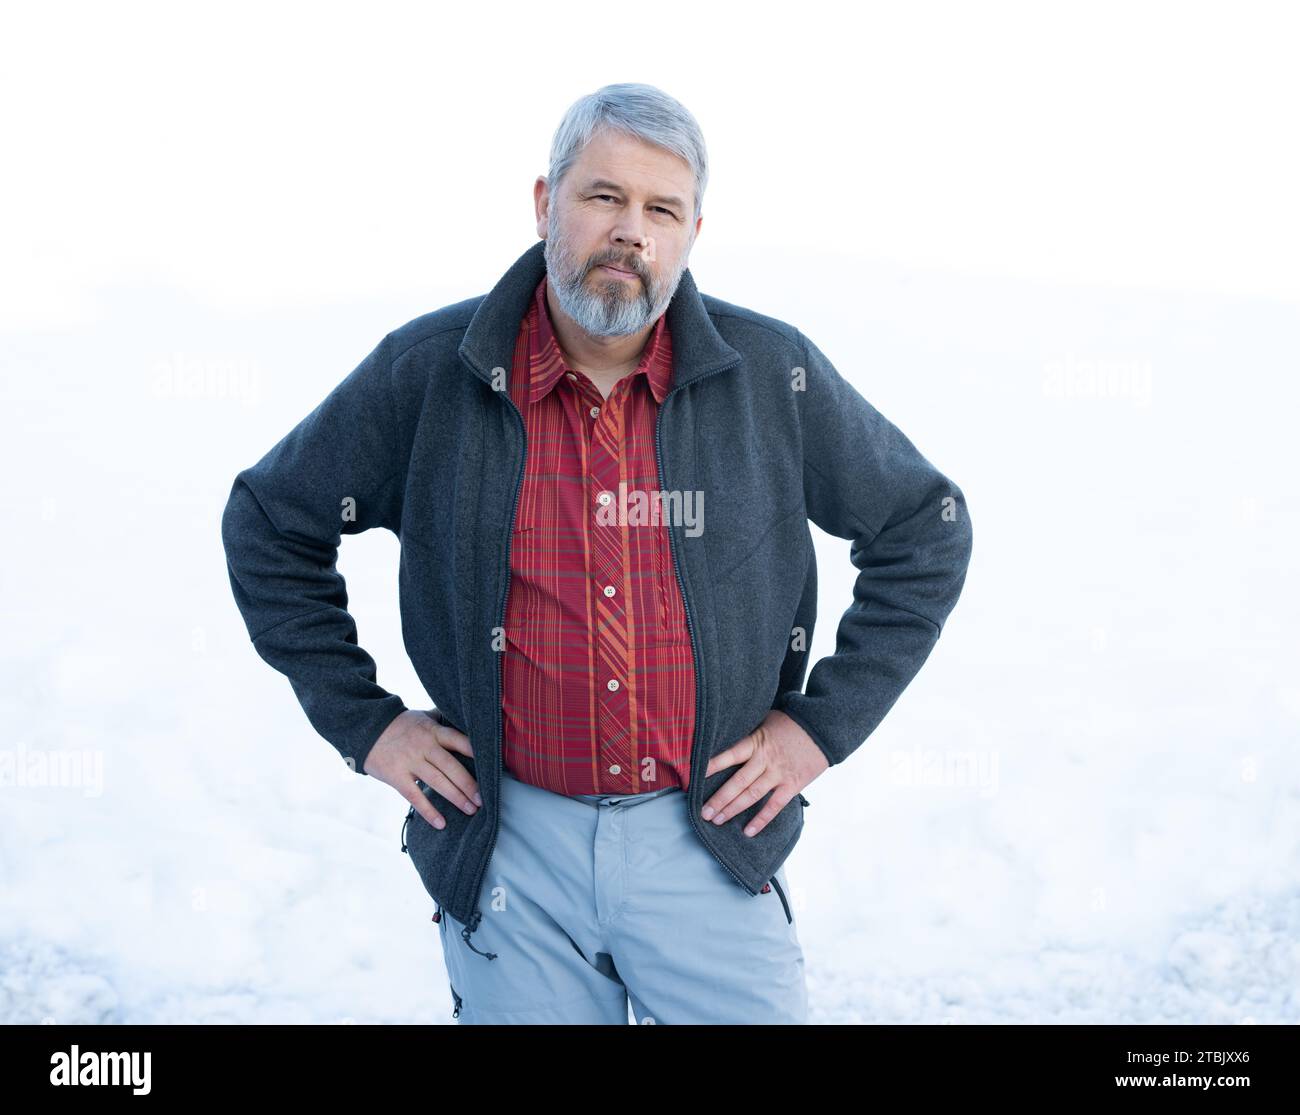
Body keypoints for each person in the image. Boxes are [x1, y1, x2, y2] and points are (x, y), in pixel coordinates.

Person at [221, 82, 974, 1024]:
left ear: (695, 231)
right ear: (546, 204)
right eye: (603, 197)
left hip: (706, 836)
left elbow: (924, 527)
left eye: (662, 209)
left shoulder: (768, 376)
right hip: (513, 842)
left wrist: (816, 729)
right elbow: (269, 522)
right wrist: (368, 724)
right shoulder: (431, 373)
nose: (632, 231)